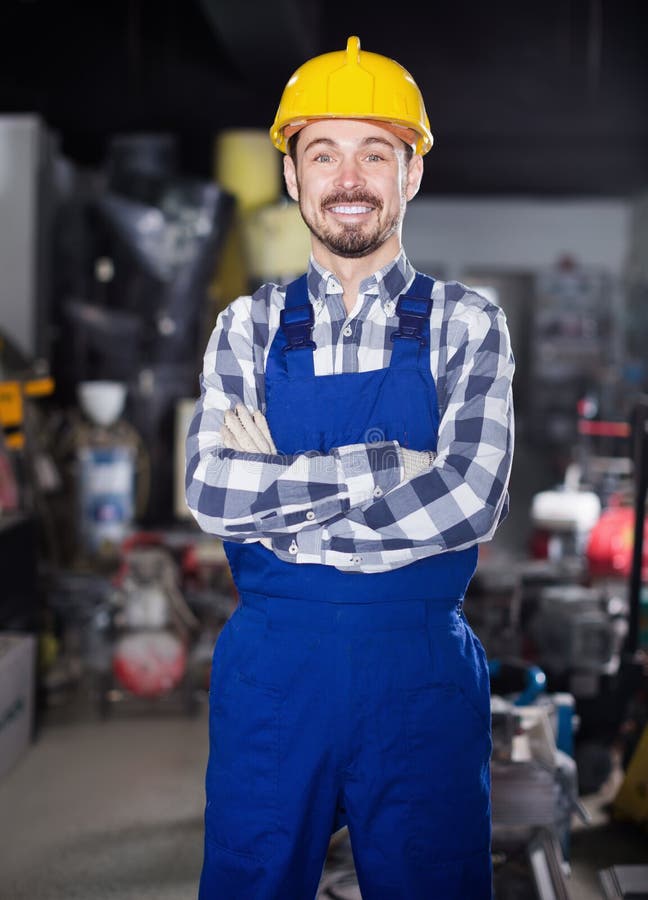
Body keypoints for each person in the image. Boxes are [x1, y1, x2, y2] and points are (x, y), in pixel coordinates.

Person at [185, 35, 514, 900]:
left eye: (378, 151)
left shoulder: (467, 324)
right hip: (272, 680)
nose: (350, 177)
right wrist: (387, 466)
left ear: (412, 172)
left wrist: (286, 496)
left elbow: (470, 500)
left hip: (418, 677)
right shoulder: (245, 329)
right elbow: (214, 490)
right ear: (292, 176)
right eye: (322, 153)